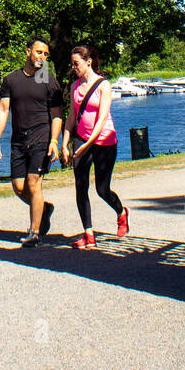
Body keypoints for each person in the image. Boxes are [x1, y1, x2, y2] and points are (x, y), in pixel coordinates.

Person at [0, 35, 63, 247]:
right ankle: (45, 208)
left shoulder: (49, 81)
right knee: (18, 187)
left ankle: (34, 232)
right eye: (39, 52)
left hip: (41, 139)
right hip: (18, 140)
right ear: (28, 51)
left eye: (45, 54)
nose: (42, 57)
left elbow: (57, 115)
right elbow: (3, 109)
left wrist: (54, 141)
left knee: (34, 185)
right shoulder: (12, 80)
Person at [61, 44, 128, 249]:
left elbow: (101, 119)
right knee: (81, 186)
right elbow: (71, 116)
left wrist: (89, 143)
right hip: (81, 139)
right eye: (72, 64)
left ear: (88, 62)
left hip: (104, 141)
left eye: (76, 63)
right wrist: (65, 143)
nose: (74, 67)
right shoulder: (74, 87)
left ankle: (121, 212)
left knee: (102, 189)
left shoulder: (103, 85)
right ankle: (88, 234)